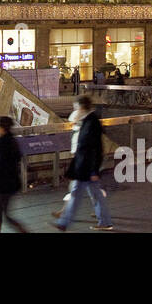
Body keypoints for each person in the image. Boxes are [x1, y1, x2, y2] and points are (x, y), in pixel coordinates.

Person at [52, 96, 112, 231]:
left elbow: (95, 149)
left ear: (82, 107)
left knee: (80, 195)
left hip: (87, 168)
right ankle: (104, 221)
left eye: (76, 107)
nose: (75, 110)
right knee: (85, 194)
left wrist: (93, 170)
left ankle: (64, 223)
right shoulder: (88, 121)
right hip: (84, 168)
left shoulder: (92, 123)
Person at [0, 116, 27, 233]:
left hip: (4, 184)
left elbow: (2, 164)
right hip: (9, 183)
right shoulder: (11, 140)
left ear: (2, 128)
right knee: (2, 213)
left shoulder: (4, 143)